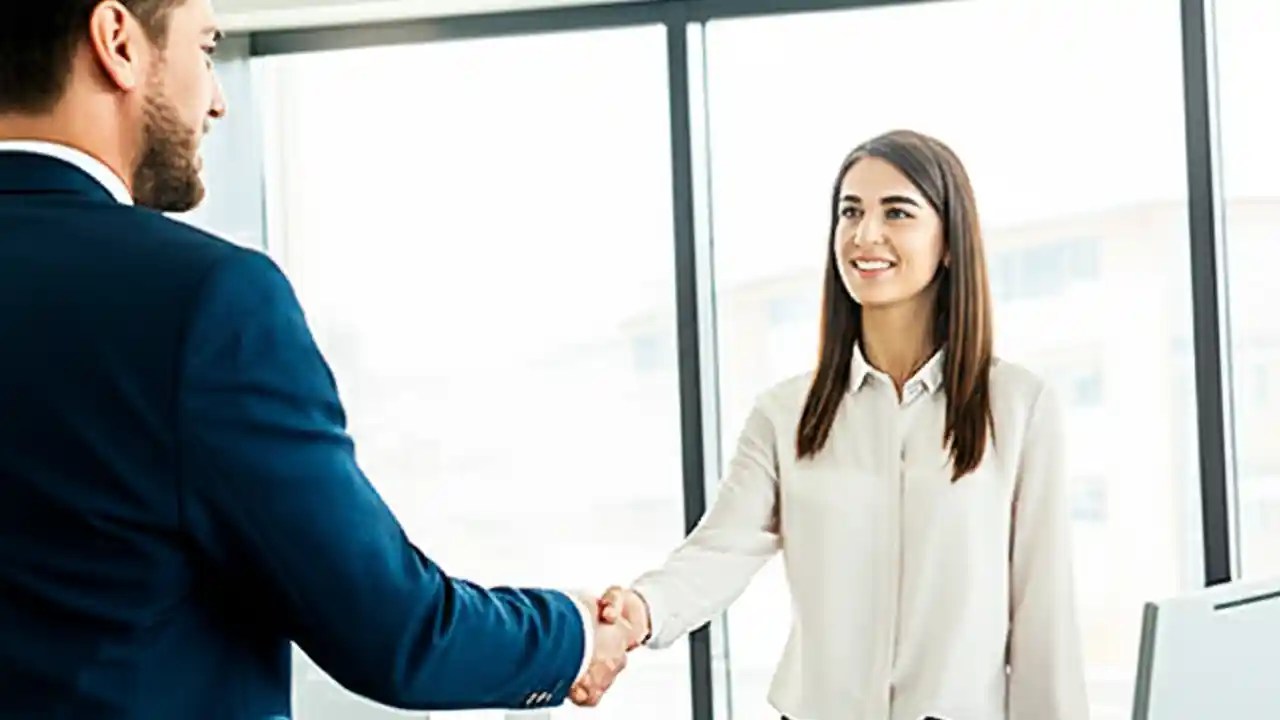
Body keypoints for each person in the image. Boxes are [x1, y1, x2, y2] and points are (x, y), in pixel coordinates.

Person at [0, 1, 631, 716]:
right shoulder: (204, 299)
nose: (217, 100)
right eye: (206, 49)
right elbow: (398, 634)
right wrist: (575, 633)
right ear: (118, 43)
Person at [597, 129, 1090, 719]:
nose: (865, 234)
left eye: (897, 212)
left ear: (950, 242)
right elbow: (718, 550)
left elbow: (1044, 616)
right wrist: (640, 610)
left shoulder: (1018, 406)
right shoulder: (785, 414)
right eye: (850, 211)